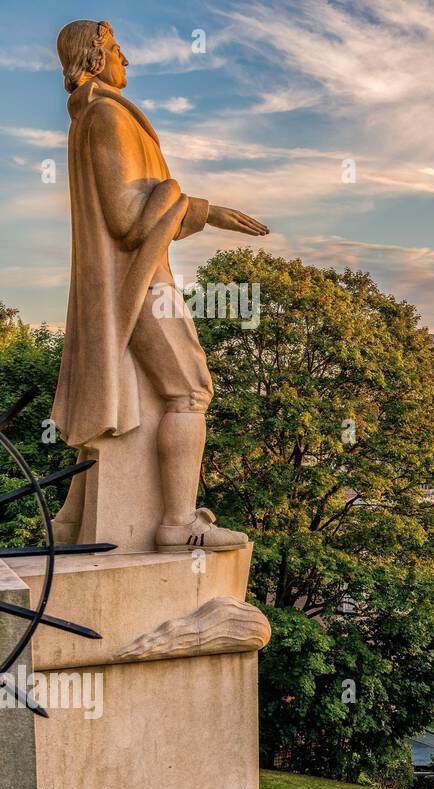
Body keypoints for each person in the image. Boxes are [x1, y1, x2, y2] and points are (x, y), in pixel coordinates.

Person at [52, 20, 269, 551]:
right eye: (119, 50)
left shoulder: (93, 117)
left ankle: (70, 521)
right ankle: (176, 524)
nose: (128, 60)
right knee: (190, 390)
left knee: (114, 402)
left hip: (126, 284)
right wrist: (198, 206)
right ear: (96, 56)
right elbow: (128, 219)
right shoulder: (106, 117)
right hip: (142, 283)